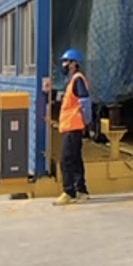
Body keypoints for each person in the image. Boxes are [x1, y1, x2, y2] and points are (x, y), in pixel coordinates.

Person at [51, 48, 91, 206]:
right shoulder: (72, 81)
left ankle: (69, 192)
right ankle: (81, 190)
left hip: (73, 127)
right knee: (75, 159)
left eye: (66, 61)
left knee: (66, 160)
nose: (64, 64)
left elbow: (85, 102)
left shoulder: (77, 80)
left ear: (74, 64)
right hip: (72, 126)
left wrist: (86, 121)